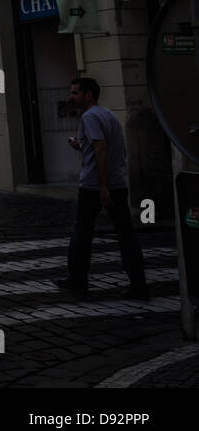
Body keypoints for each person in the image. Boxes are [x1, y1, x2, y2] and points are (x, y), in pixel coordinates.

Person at [56, 77, 149, 299]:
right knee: (126, 233)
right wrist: (81, 146)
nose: (71, 97)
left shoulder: (89, 117)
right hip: (118, 181)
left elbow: (101, 149)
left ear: (89, 95)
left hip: (94, 184)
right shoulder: (109, 115)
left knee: (82, 231)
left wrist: (102, 187)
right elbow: (115, 149)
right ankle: (139, 283)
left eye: (75, 93)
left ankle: (77, 279)